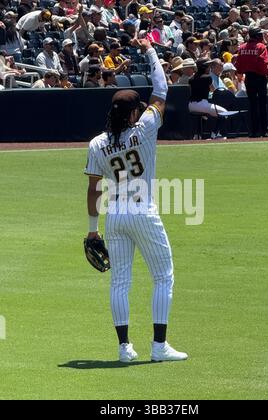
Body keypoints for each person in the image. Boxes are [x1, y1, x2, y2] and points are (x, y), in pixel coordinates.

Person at [84, 38, 188, 363]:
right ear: (133, 112)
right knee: (163, 276)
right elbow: (162, 88)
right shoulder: (143, 129)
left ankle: (124, 348)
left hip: (114, 215)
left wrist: (91, 230)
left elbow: (93, 190)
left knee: (120, 282)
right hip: (143, 210)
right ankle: (159, 347)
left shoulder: (97, 143)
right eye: (137, 107)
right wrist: (148, 49)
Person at [235, 27, 268, 138]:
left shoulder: (242, 47)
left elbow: (239, 64)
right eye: (260, 34)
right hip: (260, 78)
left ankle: (254, 131)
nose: (261, 36)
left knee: (253, 105)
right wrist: (267, 72)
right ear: (256, 36)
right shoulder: (261, 47)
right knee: (262, 105)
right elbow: (262, 63)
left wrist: (241, 72)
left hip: (249, 78)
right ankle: (265, 130)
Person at [189, 58, 232, 139]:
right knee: (224, 112)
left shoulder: (191, 78)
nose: (210, 68)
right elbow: (213, 90)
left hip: (190, 105)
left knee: (205, 116)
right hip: (202, 104)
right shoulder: (208, 77)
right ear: (204, 67)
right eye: (208, 66)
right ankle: (215, 134)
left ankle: (197, 135)